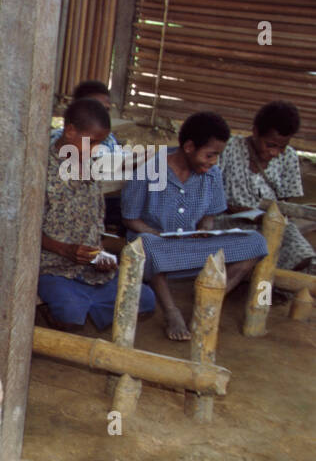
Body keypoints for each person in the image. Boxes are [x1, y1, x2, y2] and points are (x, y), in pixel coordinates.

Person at [122, 111, 269, 341]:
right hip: (156, 244)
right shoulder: (150, 170)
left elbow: (210, 215)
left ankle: (207, 300)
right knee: (147, 245)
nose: (213, 163)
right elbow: (130, 219)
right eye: (209, 155)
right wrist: (158, 234)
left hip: (191, 246)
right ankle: (172, 312)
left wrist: (205, 228)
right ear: (189, 147)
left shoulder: (212, 175)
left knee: (256, 242)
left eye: (217, 157)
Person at [39, 99, 155, 330]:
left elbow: (95, 222)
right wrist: (65, 250)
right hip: (51, 267)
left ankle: (83, 305)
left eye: (101, 143)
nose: (98, 150)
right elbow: (24, 230)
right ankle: (71, 309)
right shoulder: (41, 169)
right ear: (70, 131)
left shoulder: (91, 165)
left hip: (90, 268)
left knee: (146, 298)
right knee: (70, 311)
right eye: (92, 142)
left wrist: (101, 255)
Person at [220, 100, 312, 273]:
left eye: (281, 147)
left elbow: (285, 203)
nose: (274, 152)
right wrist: (245, 213)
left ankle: (279, 289)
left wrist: (272, 217)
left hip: (270, 224)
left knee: (303, 255)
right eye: (270, 145)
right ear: (255, 132)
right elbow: (212, 194)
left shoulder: (290, 157)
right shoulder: (229, 148)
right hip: (229, 221)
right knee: (254, 248)